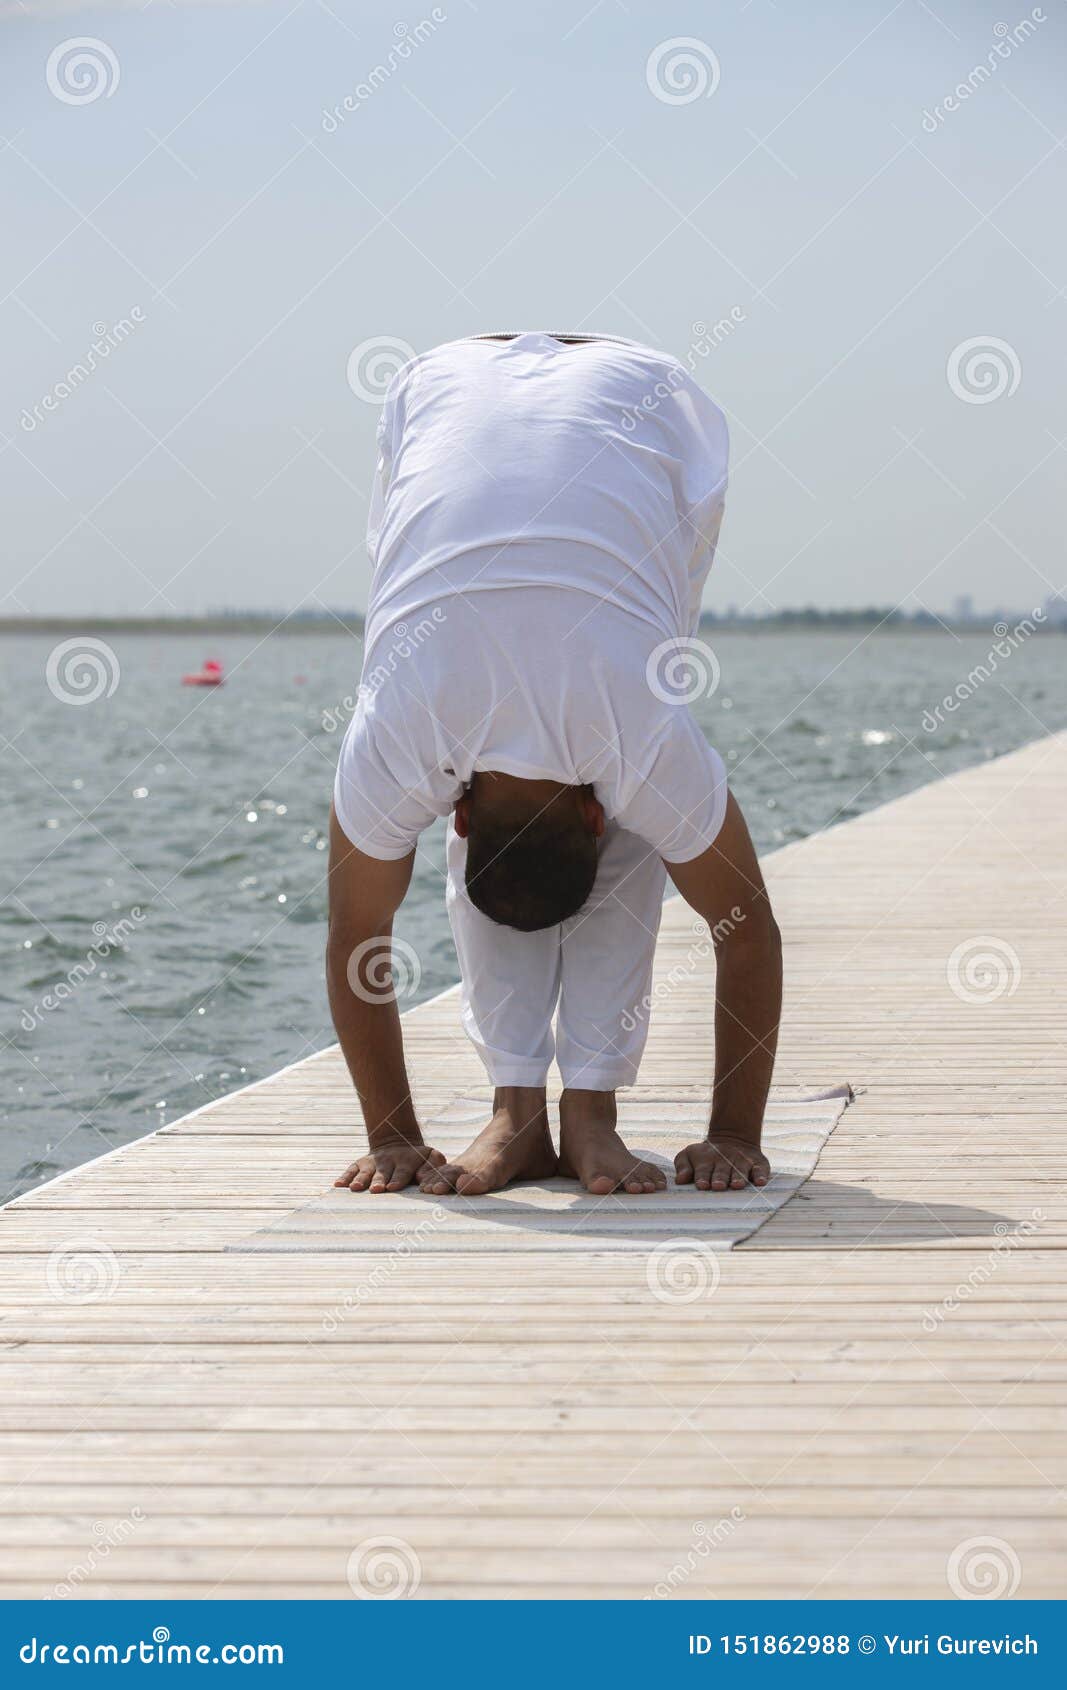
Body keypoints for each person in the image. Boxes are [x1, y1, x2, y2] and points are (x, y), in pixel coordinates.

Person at [328, 332, 781, 1198]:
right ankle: (567, 1118)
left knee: (649, 801)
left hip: (595, 395)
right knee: (655, 813)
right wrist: (731, 1136)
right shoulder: (630, 740)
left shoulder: (411, 740)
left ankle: (530, 1114)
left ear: (453, 813)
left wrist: (392, 1139)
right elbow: (745, 926)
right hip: (519, 384)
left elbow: (357, 938)